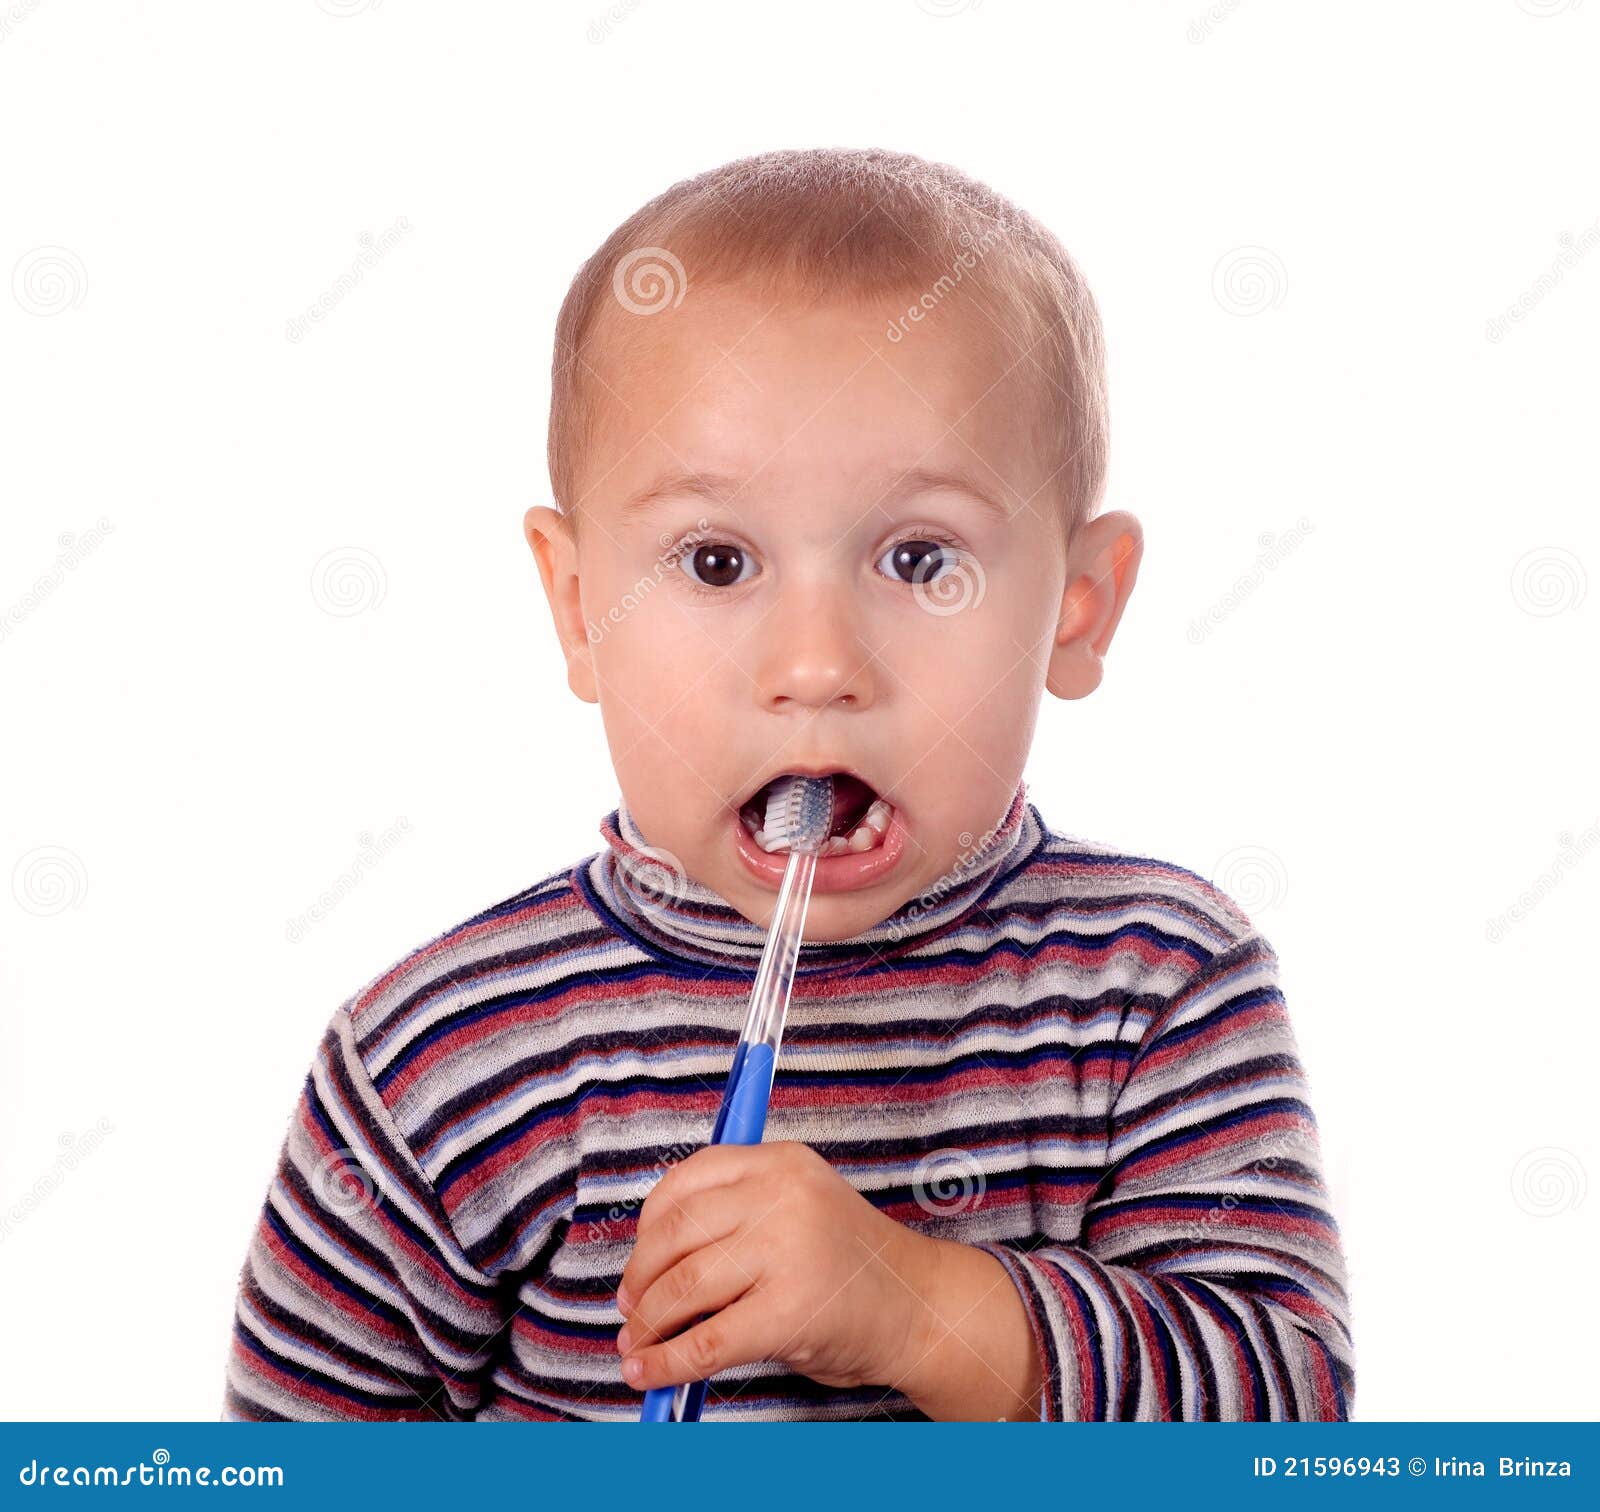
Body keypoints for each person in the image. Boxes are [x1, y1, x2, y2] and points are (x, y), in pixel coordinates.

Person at [222, 147, 1354, 1422]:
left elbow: (1282, 1419)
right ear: (580, 605)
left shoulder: (1154, 985)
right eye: (714, 562)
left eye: (921, 558)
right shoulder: (434, 1058)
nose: (816, 666)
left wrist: (911, 1303)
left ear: (1077, 610)